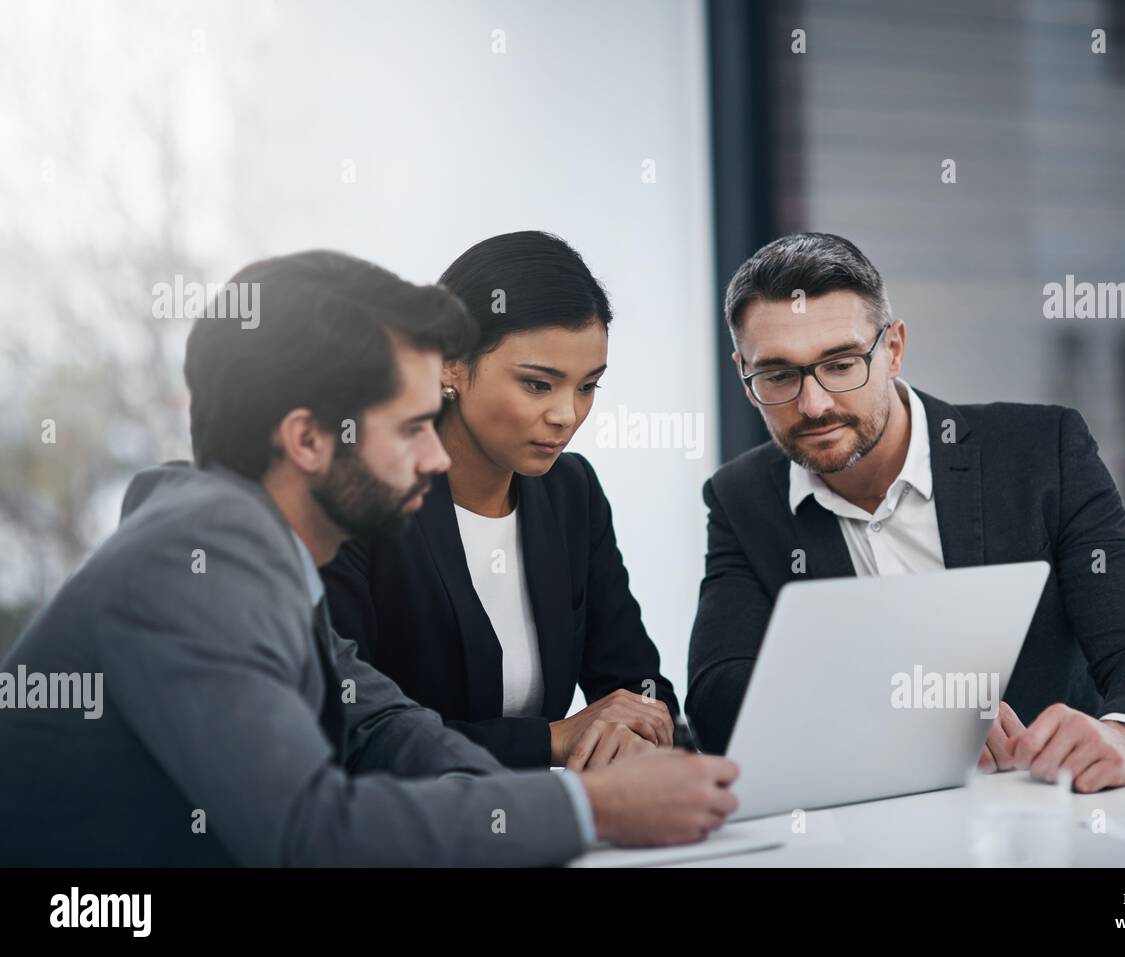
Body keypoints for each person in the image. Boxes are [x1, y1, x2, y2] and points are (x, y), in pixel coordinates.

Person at [0, 250, 737, 866]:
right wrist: (586, 806)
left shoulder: (253, 546)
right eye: (413, 427)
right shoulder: (198, 557)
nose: (431, 455)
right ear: (309, 439)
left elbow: (384, 727)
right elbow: (308, 829)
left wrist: (577, 802)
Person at [685, 232, 1125, 794]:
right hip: (867, 830)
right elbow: (719, 701)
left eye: (840, 365)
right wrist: (915, 711)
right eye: (779, 375)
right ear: (744, 374)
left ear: (893, 348)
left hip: (1051, 814)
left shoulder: (1041, 452)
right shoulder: (741, 498)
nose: (814, 405)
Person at [324, 231, 679, 770]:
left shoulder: (570, 492)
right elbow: (350, 729)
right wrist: (553, 740)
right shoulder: (357, 499)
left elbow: (635, 683)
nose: (567, 414)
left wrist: (643, 726)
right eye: (539, 384)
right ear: (449, 365)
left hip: (545, 823)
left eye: (588, 387)